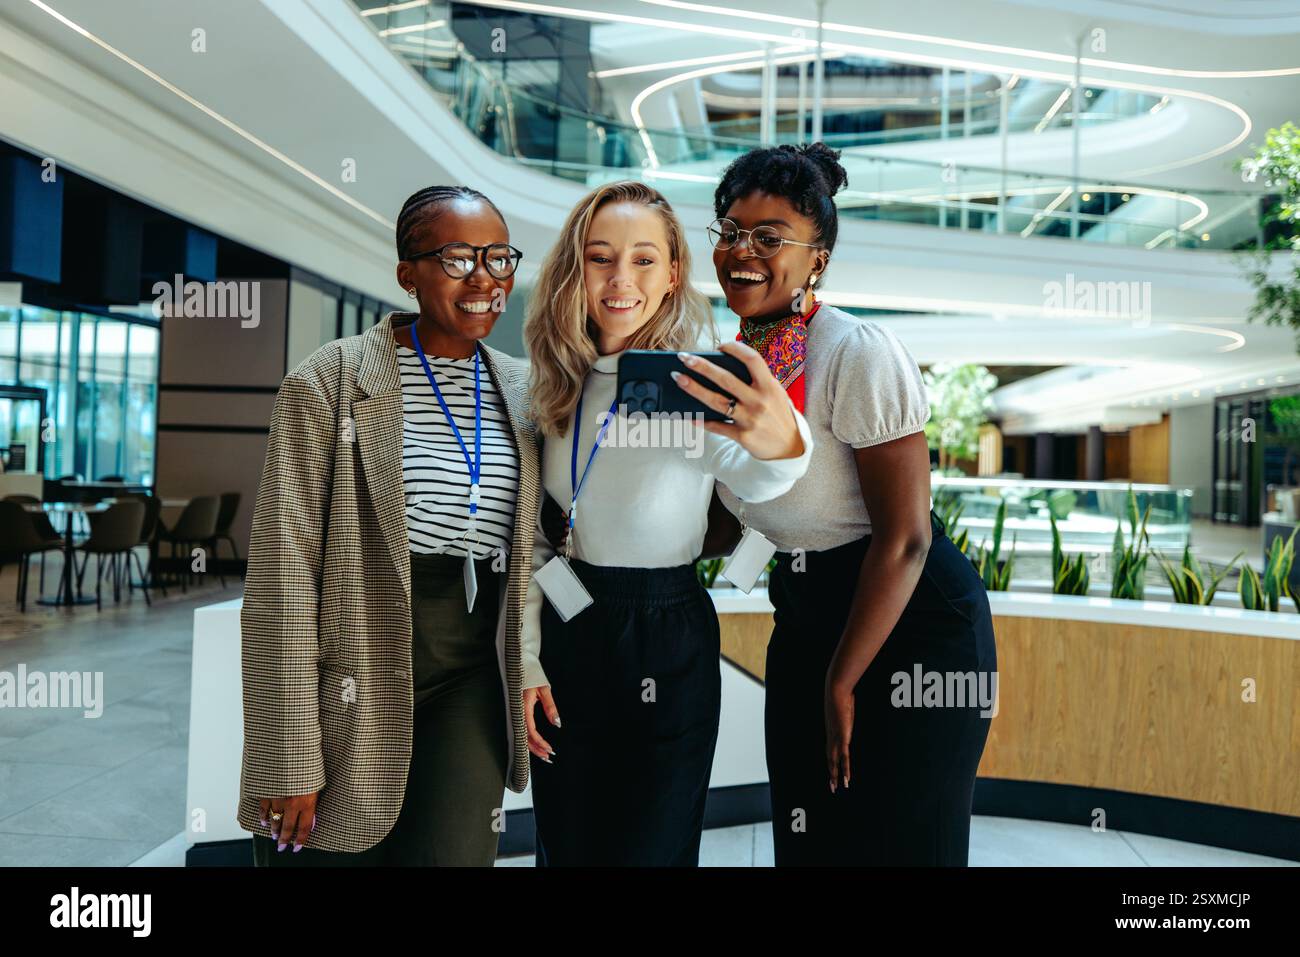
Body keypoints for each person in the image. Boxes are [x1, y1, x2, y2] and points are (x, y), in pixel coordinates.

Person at [710, 143, 998, 866]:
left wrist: (844, 677)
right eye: (730, 229)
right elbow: (733, 514)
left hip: (910, 624)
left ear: (818, 258)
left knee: (905, 846)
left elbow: (905, 538)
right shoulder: (730, 361)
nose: (742, 250)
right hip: (806, 617)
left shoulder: (855, 351)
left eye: (769, 237)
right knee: (808, 840)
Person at [237, 185, 540, 865]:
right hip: (355, 656)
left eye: (499, 257)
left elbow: (550, 541)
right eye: (458, 258)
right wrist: (287, 753)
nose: (485, 277)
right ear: (408, 272)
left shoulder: (525, 391)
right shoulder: (329, 380)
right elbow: (281, 580)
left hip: (471, 667)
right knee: (327, 850)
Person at [520, 180, 813, 865]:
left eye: (645, 259)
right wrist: (528, 657)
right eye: (600, 257)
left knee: (652, 848)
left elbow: (763, 475)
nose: (621, 279)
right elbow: (537, 540)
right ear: (576, 267)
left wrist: (785, 441)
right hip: (573, 617)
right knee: (567, 843)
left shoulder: (690, 381)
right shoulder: (557, 381)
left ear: (674, 271)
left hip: (667, 631)